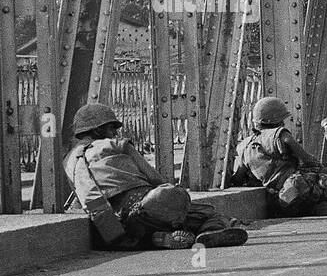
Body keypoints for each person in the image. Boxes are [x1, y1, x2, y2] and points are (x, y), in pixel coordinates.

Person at [64, 103, 248, 250]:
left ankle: (158, 238)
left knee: (163, 220)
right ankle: (212, 229)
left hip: (118, 225)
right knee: (205, 211)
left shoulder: (69, 161)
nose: (115, 132)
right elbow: (154, 178)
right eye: (112, 128)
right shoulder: (117, 144)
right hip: (146, 204)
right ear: (98, 130)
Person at [233, 96, 327, 216]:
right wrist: (319, 167)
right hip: (298, 185)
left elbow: (238, 176)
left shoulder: (244, 145)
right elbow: (307, 160)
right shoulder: (280, 133)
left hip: (282, 196)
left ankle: (315, 208)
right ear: (279, 119)